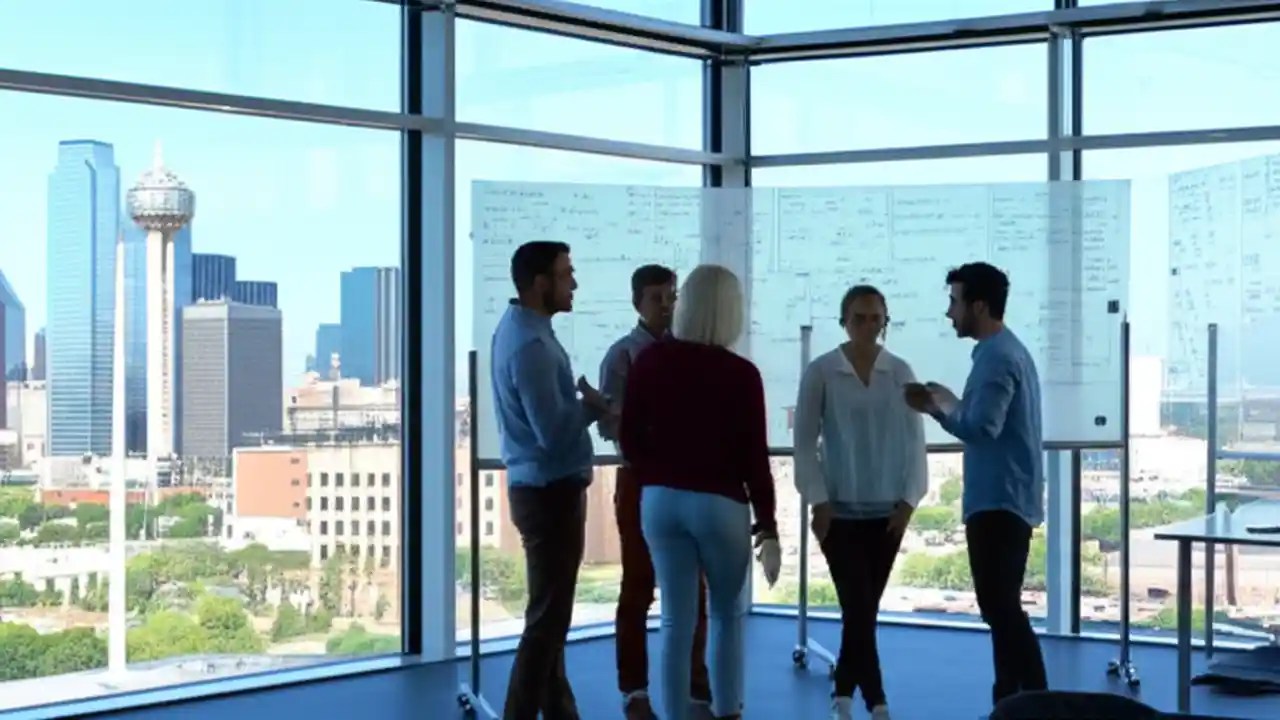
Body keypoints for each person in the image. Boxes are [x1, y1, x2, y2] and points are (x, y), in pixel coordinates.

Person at [619, 264, 781, 720]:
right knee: (728, 616)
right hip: (720, 505)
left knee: (675, 619)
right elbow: (755, 461)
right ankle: (727, 711)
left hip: (660, 501)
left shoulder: (649, 361)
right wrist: (767, 526)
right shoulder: (742, 374)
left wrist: (660, 471)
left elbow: (629, 441)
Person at [903, 262, 1049, 711]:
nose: (950, 313)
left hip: (998, 501)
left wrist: (936, 410)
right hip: (1007, 496)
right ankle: (1011, 699)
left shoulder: (996, 357)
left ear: (978, 305)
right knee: (1001, 607)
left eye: (954, 302)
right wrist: (952, 401)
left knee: (999, 607)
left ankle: (1038, 700)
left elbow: (983, 427)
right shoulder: (1006, 351)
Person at [793, 285, 928, 720]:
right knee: (858, 606)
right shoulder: (822, 372)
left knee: (861, 611)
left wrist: (908, 503)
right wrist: (818, 501)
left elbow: (915, 445)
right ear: (843, 320)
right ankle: (878, 701)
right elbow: (803, 444)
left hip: (887, 513)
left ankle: (844, 693)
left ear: (885, 321)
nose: (867, 326)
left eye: (875, 318)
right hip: (840, 513)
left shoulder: (900, 372)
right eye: (858, 317)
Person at [490, 240, 611, 720]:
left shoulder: (524, 330)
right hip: (550, 493)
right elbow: (554, 432)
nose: (574, 282)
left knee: (550, 620)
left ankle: (562, 713)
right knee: (546, 625)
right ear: (542, 284)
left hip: (542, 490)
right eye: (566, 274)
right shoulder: (532, 346)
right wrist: (593, 407)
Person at [598, 265, 713, 720]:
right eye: (655, 298)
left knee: (693, 590)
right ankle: (635, 691)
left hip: (688, 479)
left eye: (671, 297)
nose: (666, 306)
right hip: (641, 480)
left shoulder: (693, 353)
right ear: (637, 303)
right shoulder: (623, 355)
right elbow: (611, 426)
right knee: (639, 586)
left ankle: (695, 687)